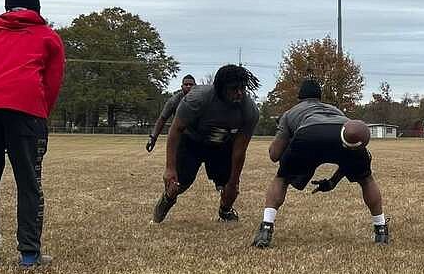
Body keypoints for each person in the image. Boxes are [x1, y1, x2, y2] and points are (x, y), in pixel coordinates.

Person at [0, 0, 65, 269]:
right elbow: (52, 82)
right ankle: (29, 255)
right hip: (25, 106)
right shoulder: (47, 36)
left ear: (7, 7)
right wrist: (40, 113)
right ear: (36, 10)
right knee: (29, 181)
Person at [252, 78, 388, 247]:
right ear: (319, 97)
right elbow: (346, 155)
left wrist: (288, 149)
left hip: (308, 133)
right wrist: (333, 181)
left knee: (282, 179)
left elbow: (274, 155)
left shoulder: (292, 112)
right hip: (342, 130)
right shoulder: (335, 110)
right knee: (366, 179)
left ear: (300, 97)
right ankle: (381, 229)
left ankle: (266, 228)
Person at [152, 64, 259, 225]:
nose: (239, 93)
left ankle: (225, 210)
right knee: (180, 183)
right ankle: (167, 199)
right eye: (234, 88)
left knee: (229, 185)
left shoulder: (249, 110)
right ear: (220, 88)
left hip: (221, 145)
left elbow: (239, 150)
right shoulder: (197, 98)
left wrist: (233, 181)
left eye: (242, 88)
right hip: (191, 142)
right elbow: (175, 130)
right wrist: (170, 168)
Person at [146, 75, 196, 152]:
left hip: (197, 135)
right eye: (186, 84)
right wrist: (153, 137)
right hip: (181, 135)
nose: (188, 86)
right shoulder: (174, 101)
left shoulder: (202, 99)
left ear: (195, 86)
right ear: (182, 86)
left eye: (191, 84)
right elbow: (162, 119)